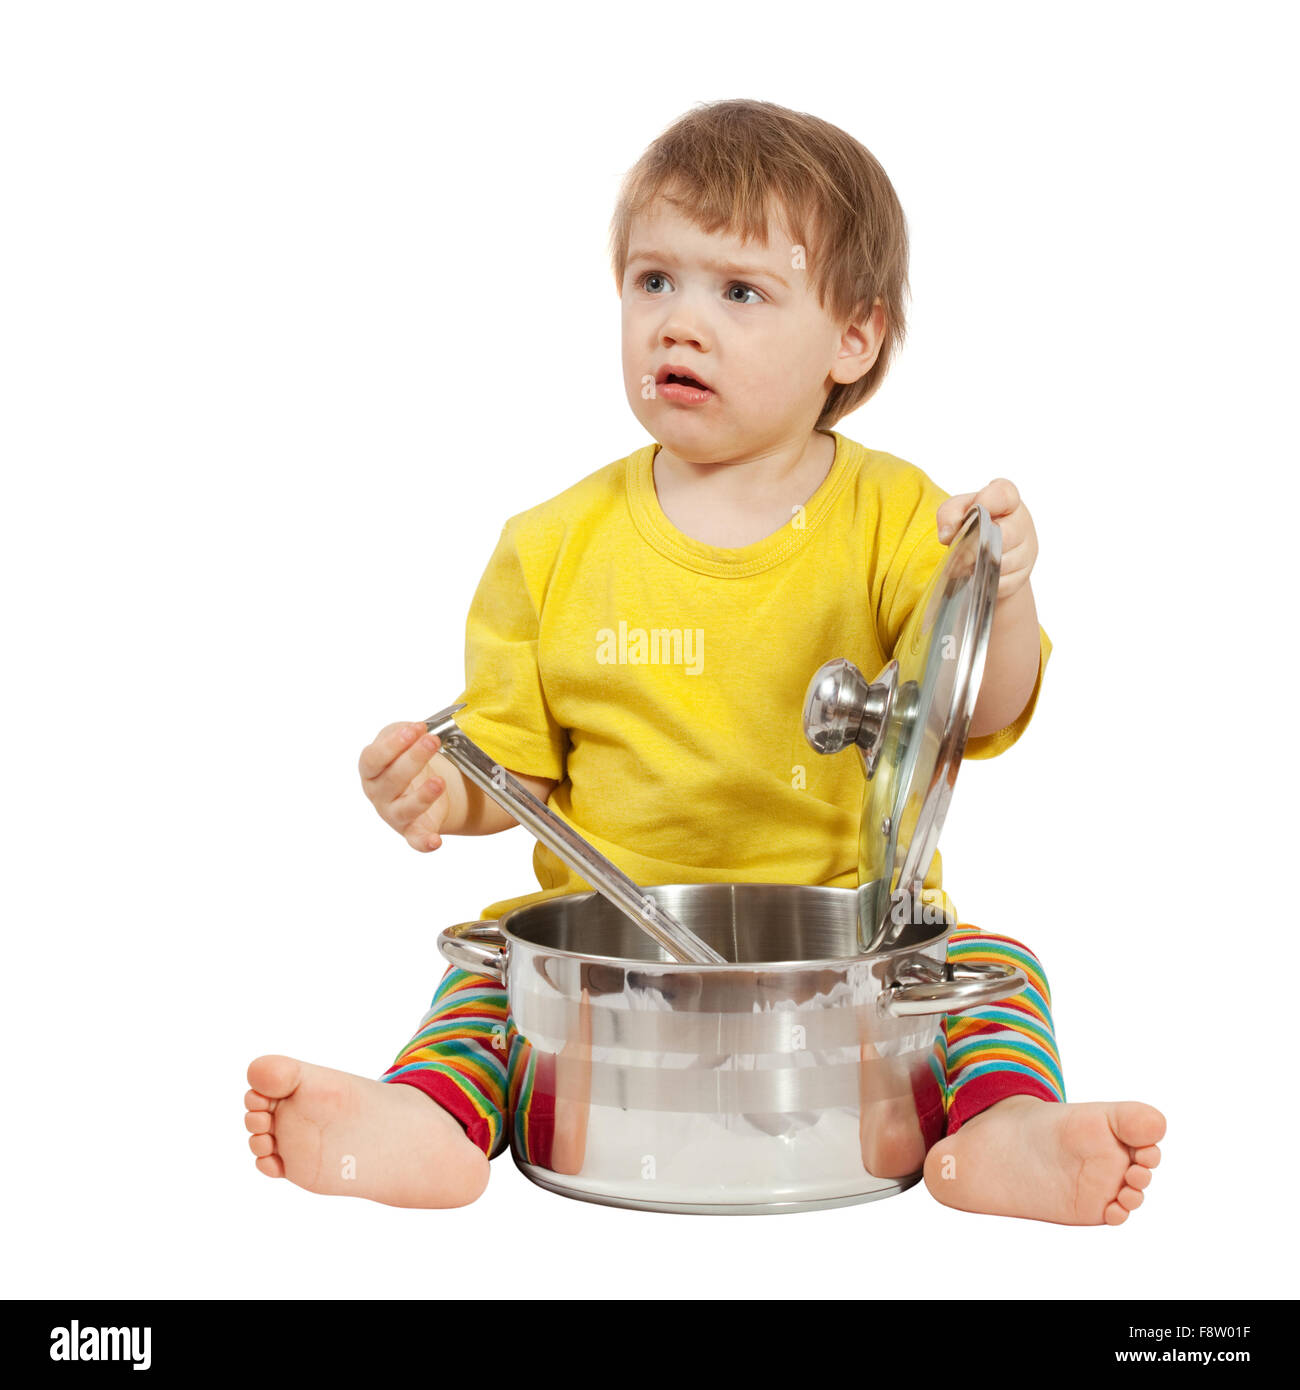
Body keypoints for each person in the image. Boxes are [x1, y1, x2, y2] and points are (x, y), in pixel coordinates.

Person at [244, 98, 1164, 1223]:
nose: (679, 325)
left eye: (739, 291)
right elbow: (509, 776)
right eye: (653, 282)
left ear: (853, 338)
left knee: (993, 976)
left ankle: (1000, 1131)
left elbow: (976, 710)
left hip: (854, 946)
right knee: (487, 981)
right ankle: (428, 1120)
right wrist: (442, 788)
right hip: (611, 952)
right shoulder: (549, 544)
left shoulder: (892, 516)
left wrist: (1003, 591)